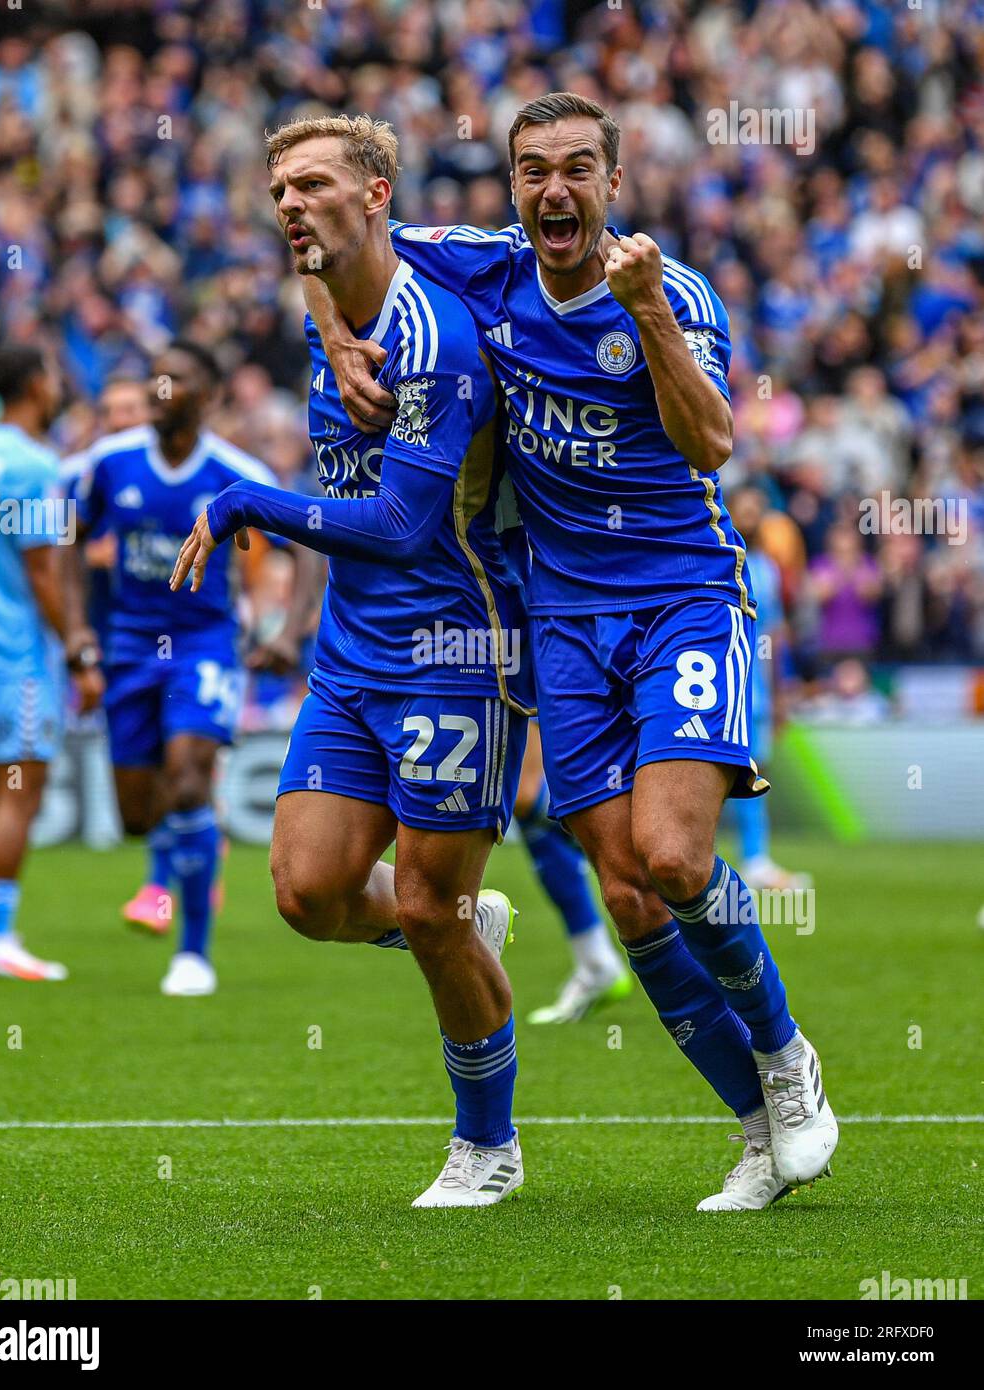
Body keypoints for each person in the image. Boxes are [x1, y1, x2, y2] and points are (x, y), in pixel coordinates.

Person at [309, 93, 838, 1209]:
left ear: (612, 180)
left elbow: (712, 441)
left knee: (678, 862)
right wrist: (330, 333)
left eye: (579, 169)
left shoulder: (673, 292)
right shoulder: (483, 269)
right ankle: (753, 1130)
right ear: (512, 186)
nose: (557, 189)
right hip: (559, 618)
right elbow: (339, 236)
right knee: (630, 896)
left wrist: (642, 312)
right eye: (535, 170)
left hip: (681, 597)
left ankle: (788, 1063)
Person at [171, 114, 532, 1208]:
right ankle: (466, 917)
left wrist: (248, 501)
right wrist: (324, 316)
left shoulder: (434, 336)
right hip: (352, 654)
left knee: (426, 911)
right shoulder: (337, 291)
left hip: (453, 647)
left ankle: (489, 1146)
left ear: (378, 196)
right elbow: (324, 269)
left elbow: (403, 525)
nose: (288, 204)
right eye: (278, 187)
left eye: (313, 185)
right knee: (306, 891)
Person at [63, 340, 291, 996]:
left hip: (205, 645)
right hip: (129, 647)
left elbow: (305, 544)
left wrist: (291, 630)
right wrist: (79, 631)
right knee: (139, 815)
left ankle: (193, 953)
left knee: (189, 778)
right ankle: (191, 844)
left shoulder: (236, 471)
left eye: (177, 380)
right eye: (156, 378)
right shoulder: (110, 463)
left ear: (210, 396)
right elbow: (67, 540)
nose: (161, 389)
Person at [0, 344, 100, 980]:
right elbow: (43, 568)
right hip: (17, 652)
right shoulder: (37, 465)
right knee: (21, 792)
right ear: (36, 383)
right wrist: (78, 649)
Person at [515, 724, 633, 1024]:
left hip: (518, 678)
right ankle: (594, 961)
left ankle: (642, 861)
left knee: (521, 792)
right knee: (522, 800)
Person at [725, 486, 811, 893]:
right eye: (744, 506)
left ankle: (755, 858)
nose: (750, 514)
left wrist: (780, 694)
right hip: (718, 685)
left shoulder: (766, 568)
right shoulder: (718, 558)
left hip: (755, 690)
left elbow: (774, 634)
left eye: (756, 508)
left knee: (756, 769)